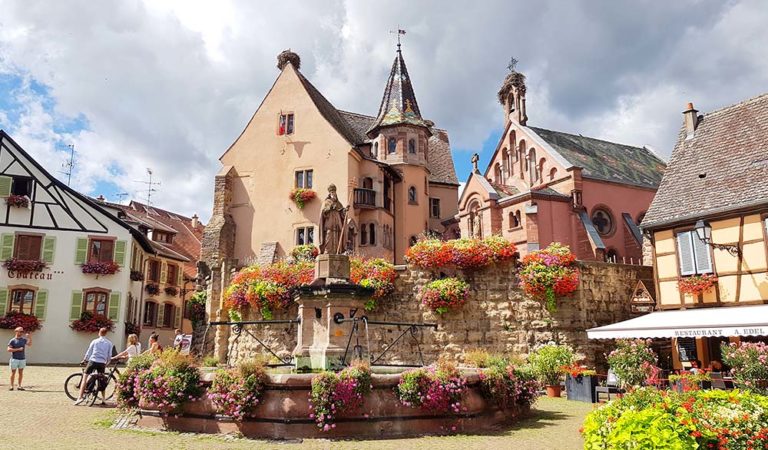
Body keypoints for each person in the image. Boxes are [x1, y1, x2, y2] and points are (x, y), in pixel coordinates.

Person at [74, 327, 114, 405]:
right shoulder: (109, 343)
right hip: (102, 363)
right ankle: (103, 399)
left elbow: (89, 351)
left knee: (84, 378)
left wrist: (84, 359)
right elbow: (109, 355)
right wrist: (107, 362)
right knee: (102, 380)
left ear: (99, 333)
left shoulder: (95, 341)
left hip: (93, 361)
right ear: (106, 333)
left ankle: (80, 398)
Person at [7, 327, 32, 391]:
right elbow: (9, 349)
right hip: (14, 359)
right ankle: (11, 386)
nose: (21, 333)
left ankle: (19, 386)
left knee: (21, 373)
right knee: (13, 373)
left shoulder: (23, 340)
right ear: (15, 331)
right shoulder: (12, 340)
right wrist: (18, 349)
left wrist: (29, 337)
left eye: (22, 331)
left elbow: (29, 344)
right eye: (19, 331)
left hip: (22, 359)